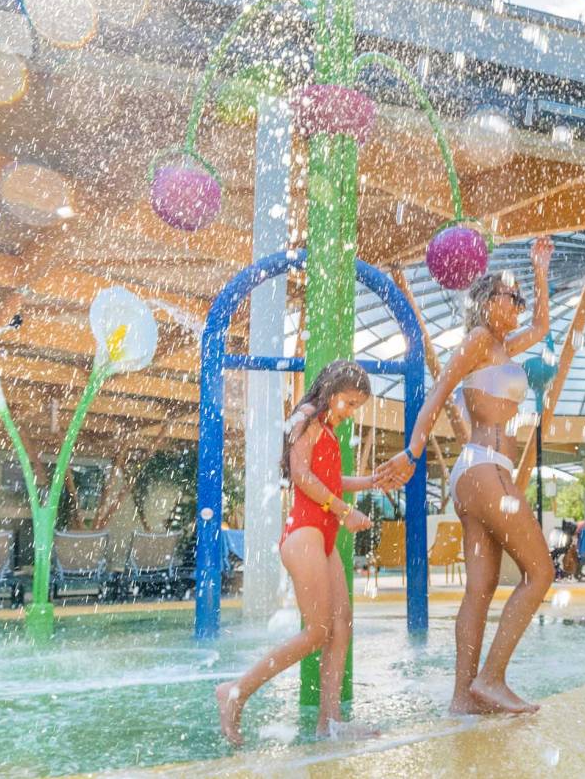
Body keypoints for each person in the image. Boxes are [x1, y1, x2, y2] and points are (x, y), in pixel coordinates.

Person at [378, 236, 555, 715]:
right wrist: (412, 454)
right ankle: (492, 679)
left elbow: (542, 324)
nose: (518, 306)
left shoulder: (503, 345)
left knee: (480, 589)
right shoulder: (479, 342)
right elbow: (438, 393)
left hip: (480, 473)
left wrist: (538, 268)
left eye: (519, 298)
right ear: (485, 303)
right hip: (484, 469)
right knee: (541, 572)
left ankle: (463, 698)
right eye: (510, 297)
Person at [216, 360, 399, 745]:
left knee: (341, 624)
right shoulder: (307, 418)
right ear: (332, 392)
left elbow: (328, 479)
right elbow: (301, 476)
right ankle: (235, 691)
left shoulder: (327, 429)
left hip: (323, 535)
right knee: (317, 632)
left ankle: (329, 722)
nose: (351, 413)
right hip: (304, 534)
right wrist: (345, 510)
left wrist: (369, 481)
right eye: (349, 403)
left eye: (356, 406)